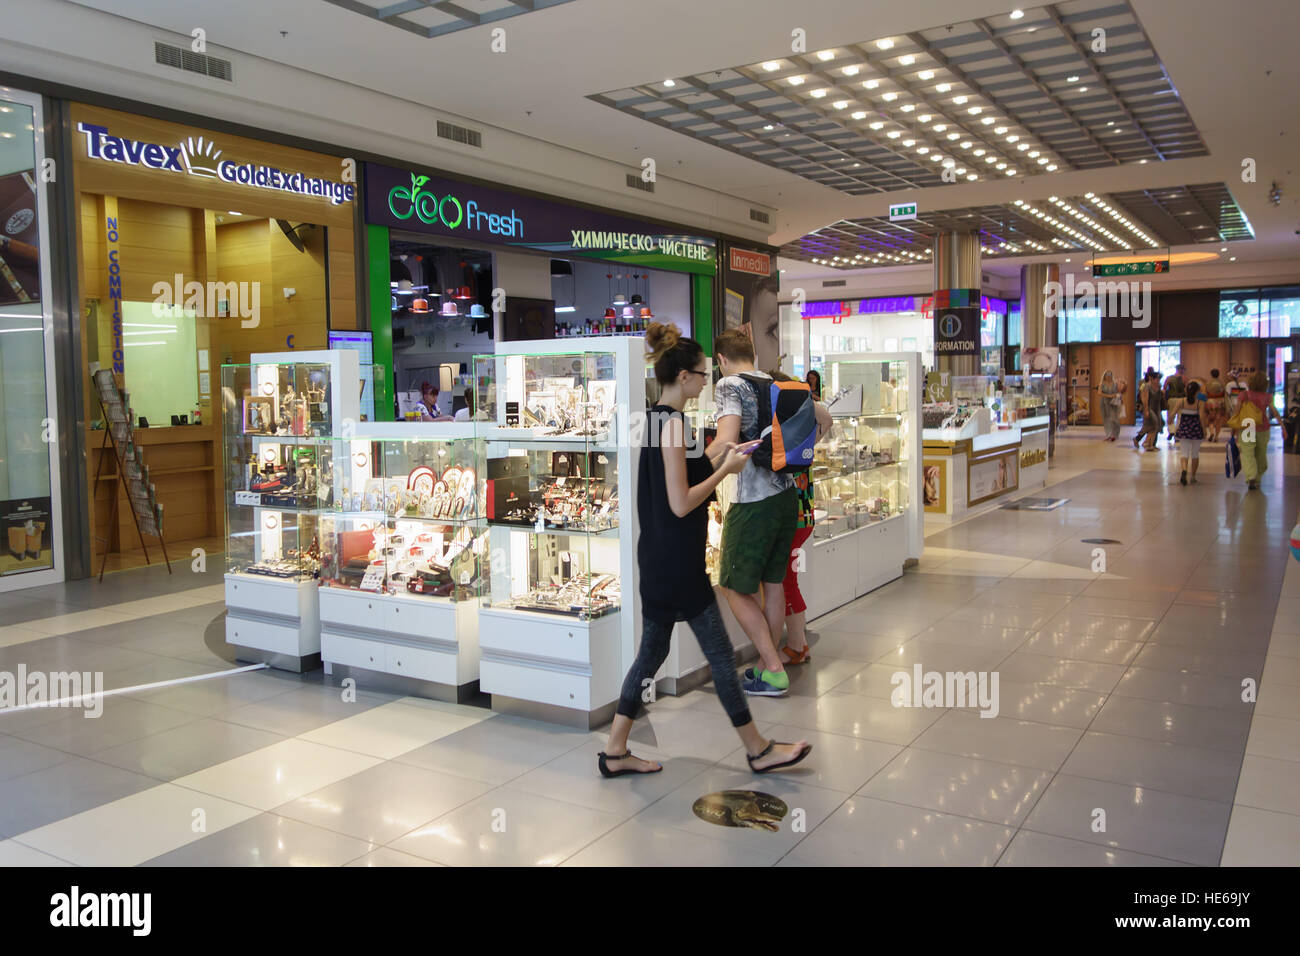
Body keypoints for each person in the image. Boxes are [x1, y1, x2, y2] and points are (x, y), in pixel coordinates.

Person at [598, 323, 812, 778]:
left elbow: (688, 469)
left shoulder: (657, 419)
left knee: (649, 656)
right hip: (679, 565)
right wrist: (726, 470)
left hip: (658, 560)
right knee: (719, 657)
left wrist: (725, 455)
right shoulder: (673, 425)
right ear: (682, 377)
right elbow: (682, 500)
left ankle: (615, 749)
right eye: (700, 375)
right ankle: (757, 750)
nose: (705, 382)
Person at [713, 329, 796, 697]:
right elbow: (822, 419)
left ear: (721, 360)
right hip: (786, 494)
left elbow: (726, 439)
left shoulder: (729, 384)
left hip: (752, 500)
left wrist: (692, 464)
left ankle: (774, 669)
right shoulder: (777, 382)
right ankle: (766, 666)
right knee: (772, 583)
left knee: (731, 585)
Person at [769, 372, 831, 664]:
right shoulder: (802, 430)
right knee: (787, 579)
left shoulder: (784, 427)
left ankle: (796, 644)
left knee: (785, 581)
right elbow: (826, 418)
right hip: (803, 515)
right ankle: (798, 642)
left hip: (792, 518)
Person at [1231, 370, 1283, 491]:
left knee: (1248, 453)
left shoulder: (1244, 395)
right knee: (1261, 454)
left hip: (1247, 427)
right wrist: (1282, 425)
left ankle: (1251, 477)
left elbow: (1237, 411)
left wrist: (1234, 427)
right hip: (1263, 428)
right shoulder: (1268, 396)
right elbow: (1274, 411)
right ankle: (1257, 477)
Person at [1174, 381, 1208, 485]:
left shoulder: (1181, 401)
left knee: (1184, 453)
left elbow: (1172, 413)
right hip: (1196, 430)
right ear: (1197, 391)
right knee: (1195, 453)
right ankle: (1193, 476)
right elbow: (1202, 417)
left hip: (1184, 429)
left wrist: (1170, 420)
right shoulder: (1200, 403)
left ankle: (1184, 470)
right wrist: (1204, 430)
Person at [1134, 371, 1163, 450]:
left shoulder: (1158, 386)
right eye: (1156, 378)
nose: (1158, 380)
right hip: (1149, 408)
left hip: (1156, 408)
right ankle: (1148, 444)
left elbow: (1159, 398)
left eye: (1159, 379)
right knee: (1154, 424)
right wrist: (1146, 410)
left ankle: (1151, 444)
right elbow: (1144, 399)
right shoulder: (1146, 386)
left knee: (1151, 426)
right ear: (1151, 378)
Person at [1204, 368, 1227, 442]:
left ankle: (1211, 432)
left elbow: (1205, 393)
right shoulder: (1222, 383)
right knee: (1219, 420)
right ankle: (1216, 436)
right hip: (1220, 401)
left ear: (1211, 374)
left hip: (1211, 402)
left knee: (1210, 419)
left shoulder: (1208, 383)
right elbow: (1225, 393)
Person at [1164, 364, 1186, 441]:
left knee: (1170, 416)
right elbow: (1186, 389)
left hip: (1171, 399)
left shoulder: (1169, 378)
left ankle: (1171, 431)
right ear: (1182, 370)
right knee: (1180, 417)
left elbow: (1164, 389)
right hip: (1181, 399)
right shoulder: (1184, 378)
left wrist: (1164, 399)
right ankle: (1177, 434)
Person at [1098, 369, 1122, 441]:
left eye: (1110, 375)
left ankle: (1115, 434)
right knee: (1106, 419)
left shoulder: (1115, 384)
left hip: (1113, 403)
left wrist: (1118, 397)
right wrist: (1109, 396)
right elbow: (1099, 393)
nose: (1108, 377)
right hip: (1104, 403)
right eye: (1107, 375)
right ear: (1104, 376)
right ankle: (1109, 434)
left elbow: (1119, 393)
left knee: (1114, 419)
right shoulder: (1102, 384)